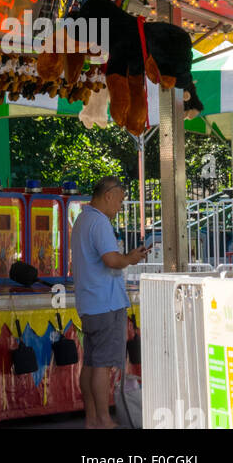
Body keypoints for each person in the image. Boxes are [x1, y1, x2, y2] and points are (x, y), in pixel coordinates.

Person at [70, 175, 149, 430]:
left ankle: (92, 419)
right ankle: (104, 420)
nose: (120, 206)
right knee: (102, 366)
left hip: (89, 303)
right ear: (109, 195)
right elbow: (112, 260)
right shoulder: (100, 222)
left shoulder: (82, 218)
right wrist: (131, 258)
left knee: (92, 364)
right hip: (105, 302)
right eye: (120, 200)